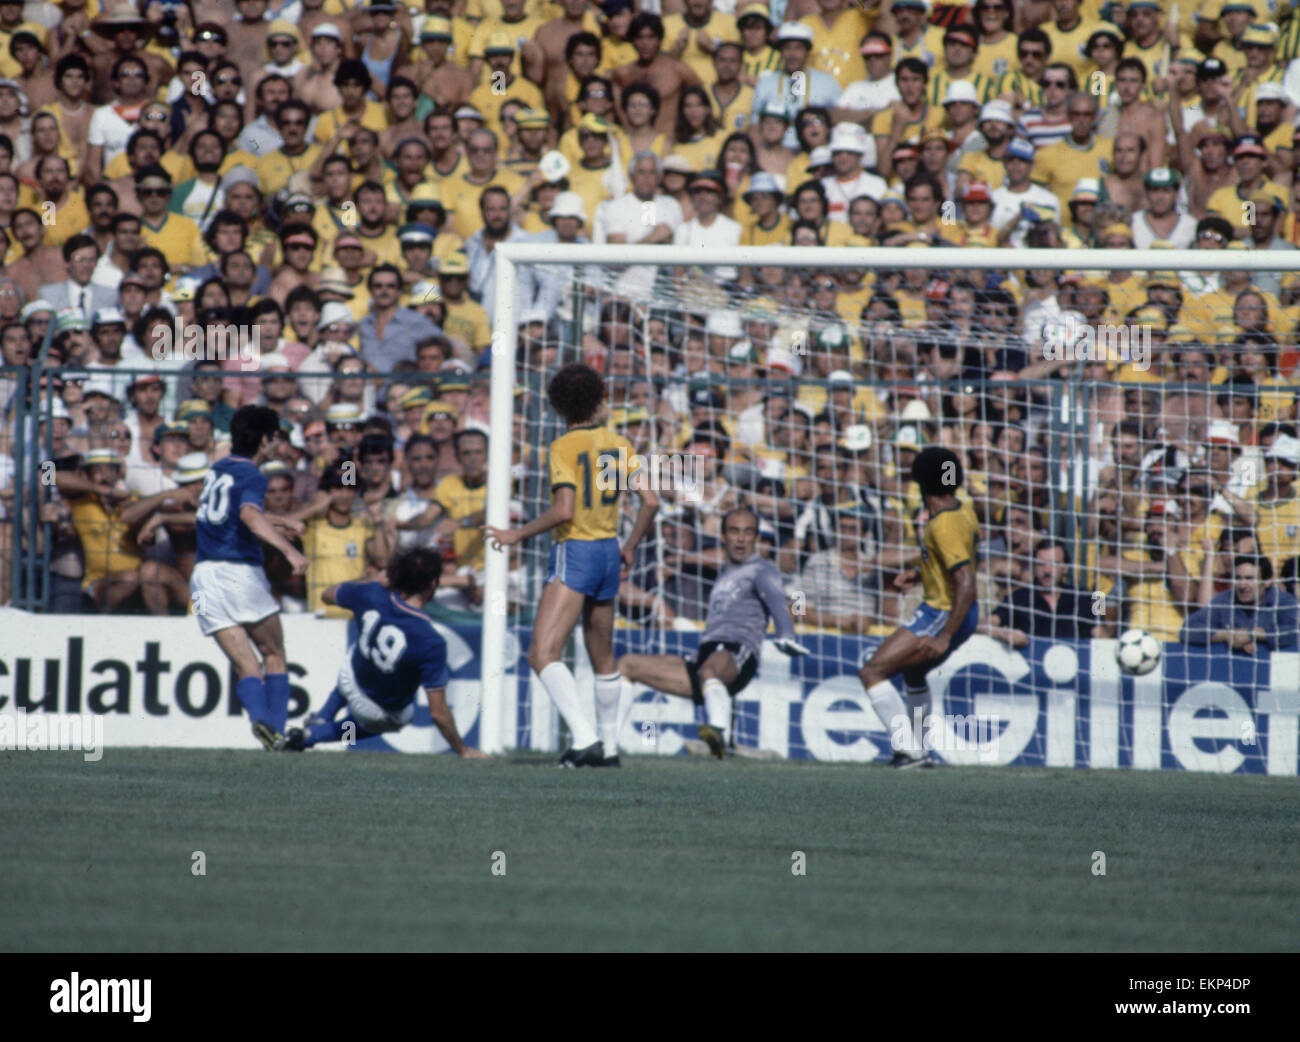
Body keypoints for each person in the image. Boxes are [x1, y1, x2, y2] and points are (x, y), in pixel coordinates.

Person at [484, 363, 659, 767]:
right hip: (608, 550)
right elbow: (650, 502)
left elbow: (563, 511)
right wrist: (629, 546)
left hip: (576, 550)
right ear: (601, 399)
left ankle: (584, 740)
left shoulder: (563, 446)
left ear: (558, 408)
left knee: (542, 654)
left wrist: (515, 535)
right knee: (603, 657)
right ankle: (610, 750)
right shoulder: (619, 444)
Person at [618, 507, 807, 758]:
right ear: (723, 537)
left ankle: (717, 732)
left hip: (738, 651)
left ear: (757, 539)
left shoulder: (762, 569)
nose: (741, 538)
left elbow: (778, 602)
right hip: (706, 657)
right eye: (734, 531)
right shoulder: (725, 572)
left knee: (710, 670)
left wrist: (786, 633)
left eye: (748, 532)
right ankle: (608, 744)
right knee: (627, 665)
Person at [284, 547, 488, 756]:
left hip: (349, 677)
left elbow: (327, 595)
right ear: (434, 584)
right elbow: (438, 713)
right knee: (396, 719)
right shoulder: (430, 640)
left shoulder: (371, 593)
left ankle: (325, 714)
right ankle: (315, 734)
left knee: (359, 648)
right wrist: (462, 749)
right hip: (378, 711)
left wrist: (373, 579)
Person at [191, 404, 309, 751]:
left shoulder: (217, 469)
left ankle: (261, 724)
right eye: (275, 438)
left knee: (245, 664)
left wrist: (282, 520)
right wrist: (290, 550)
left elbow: (231, 514)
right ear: (265, 440)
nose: (277, 445)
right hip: (238, 572)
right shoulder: (255, 476)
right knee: (274, 652)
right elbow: (248, 515)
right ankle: (278, 728)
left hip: (202, 578)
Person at [858, 445, 979, 768]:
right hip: (957, 609)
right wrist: (921, 572)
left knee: (872, 671)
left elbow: (966, 582)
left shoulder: (941, 525)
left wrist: (943, 635)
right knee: (914, 672)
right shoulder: (962, 509)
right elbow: (957, 563)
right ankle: (919, 750)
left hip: (943, 613)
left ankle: (909, 750)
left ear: (918, 482)